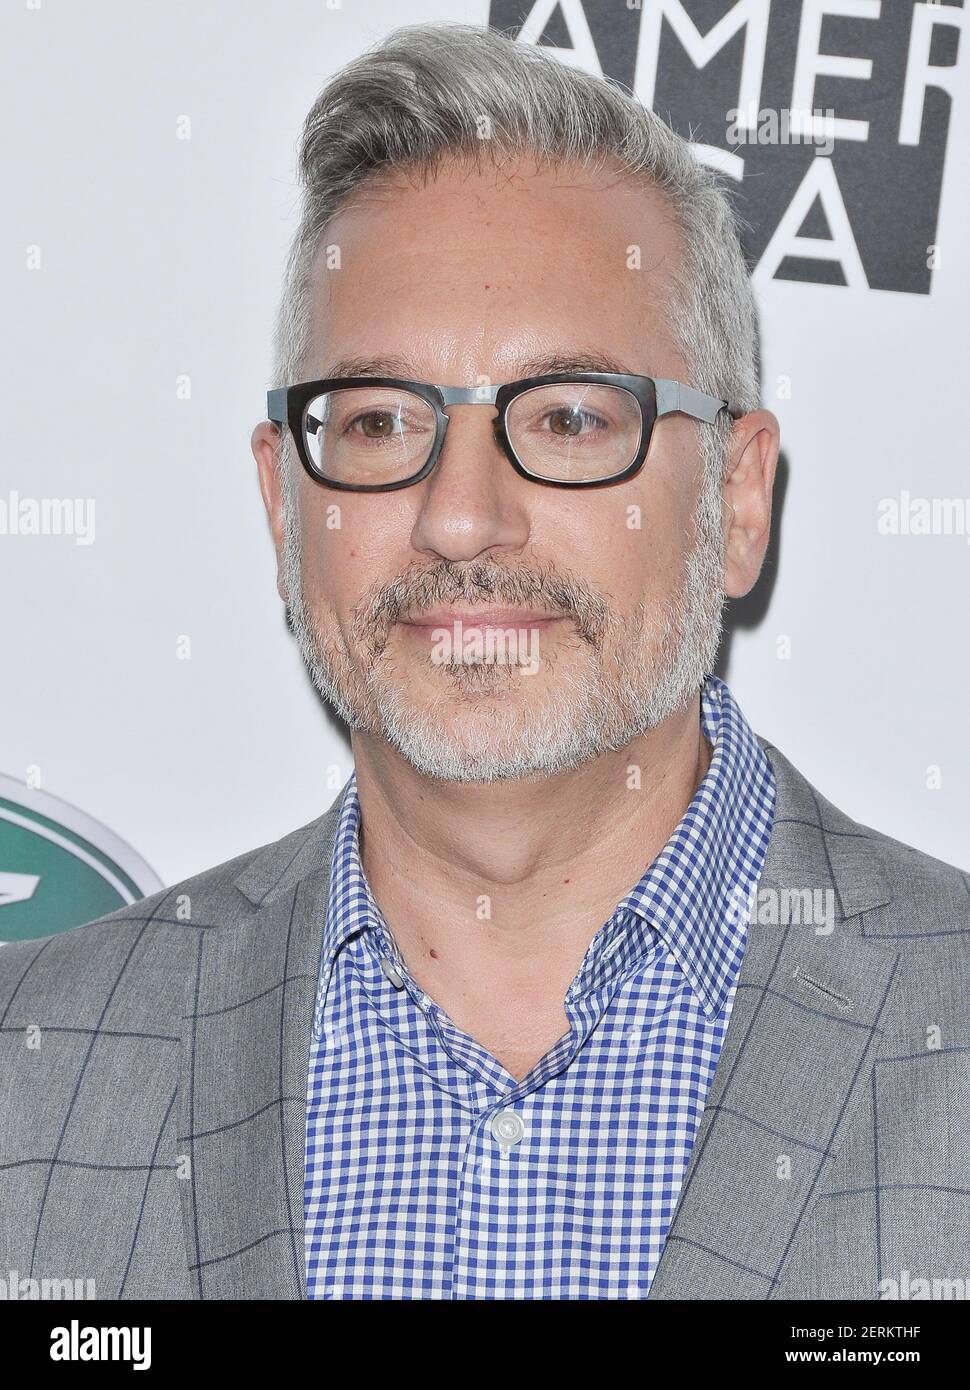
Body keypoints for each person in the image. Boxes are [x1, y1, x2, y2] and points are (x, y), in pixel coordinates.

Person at [2, 22, 967, 1302]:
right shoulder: (33, 1066)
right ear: (284, 503)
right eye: (382, 419)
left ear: (736, 502)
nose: (461, 517)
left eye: (569, 418)